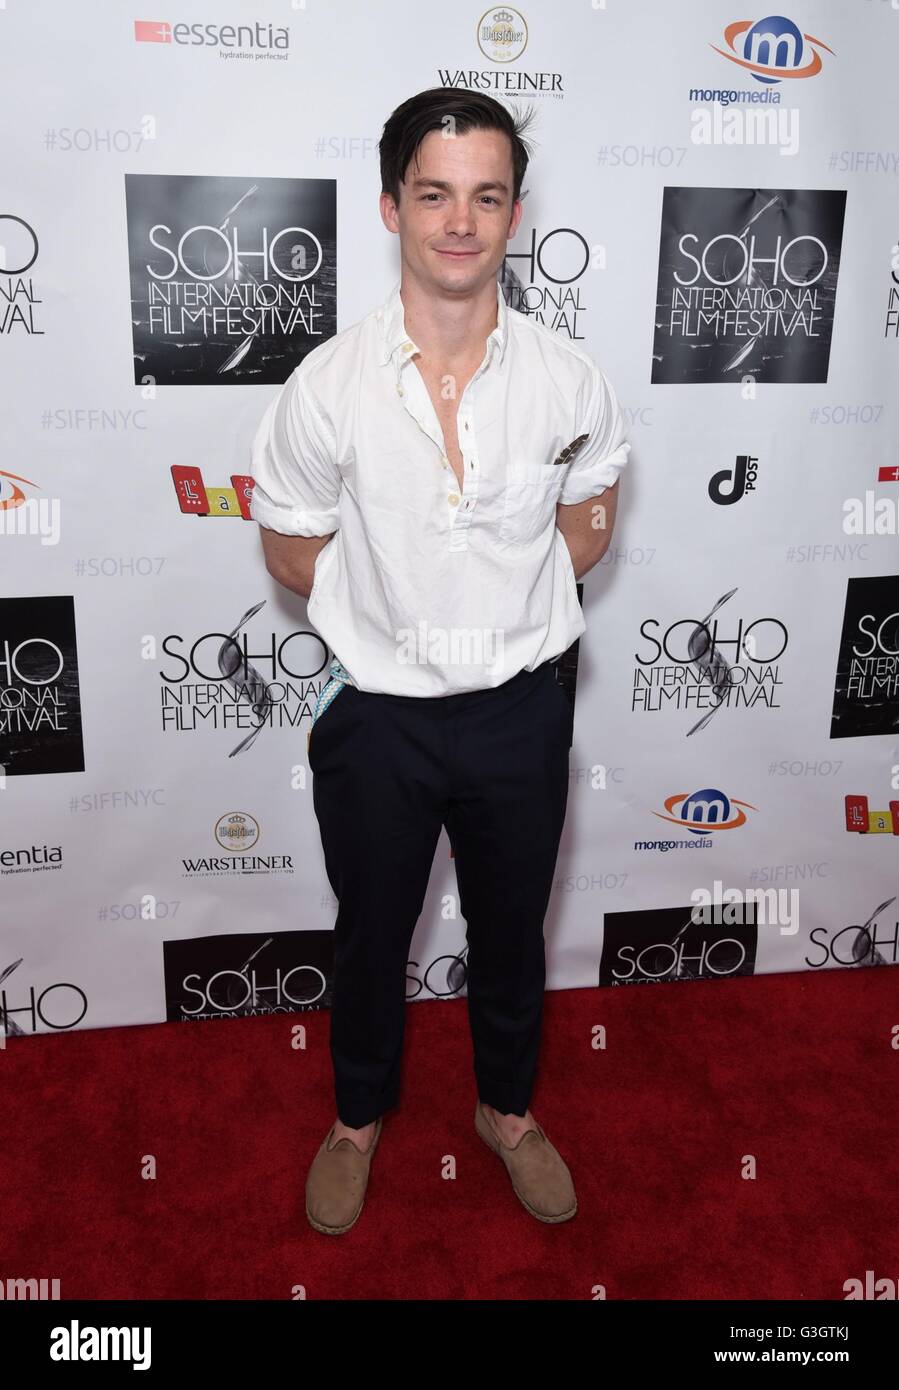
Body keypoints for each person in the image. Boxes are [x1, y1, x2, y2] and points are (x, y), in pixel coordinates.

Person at [249, 88, 630, 1235]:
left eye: (484, 195)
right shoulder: (326, 384)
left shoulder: (569, 376)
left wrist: (506, 605)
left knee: (514, 923)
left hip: (520, 708)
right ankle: (356, 1117)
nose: (458, 222)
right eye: (433, 195)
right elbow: (286, 540)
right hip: (377, 717)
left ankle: (506, 1111)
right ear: (389, 207)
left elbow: (591, 510)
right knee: (371, 927)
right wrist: (396, 617)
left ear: (515, 211)